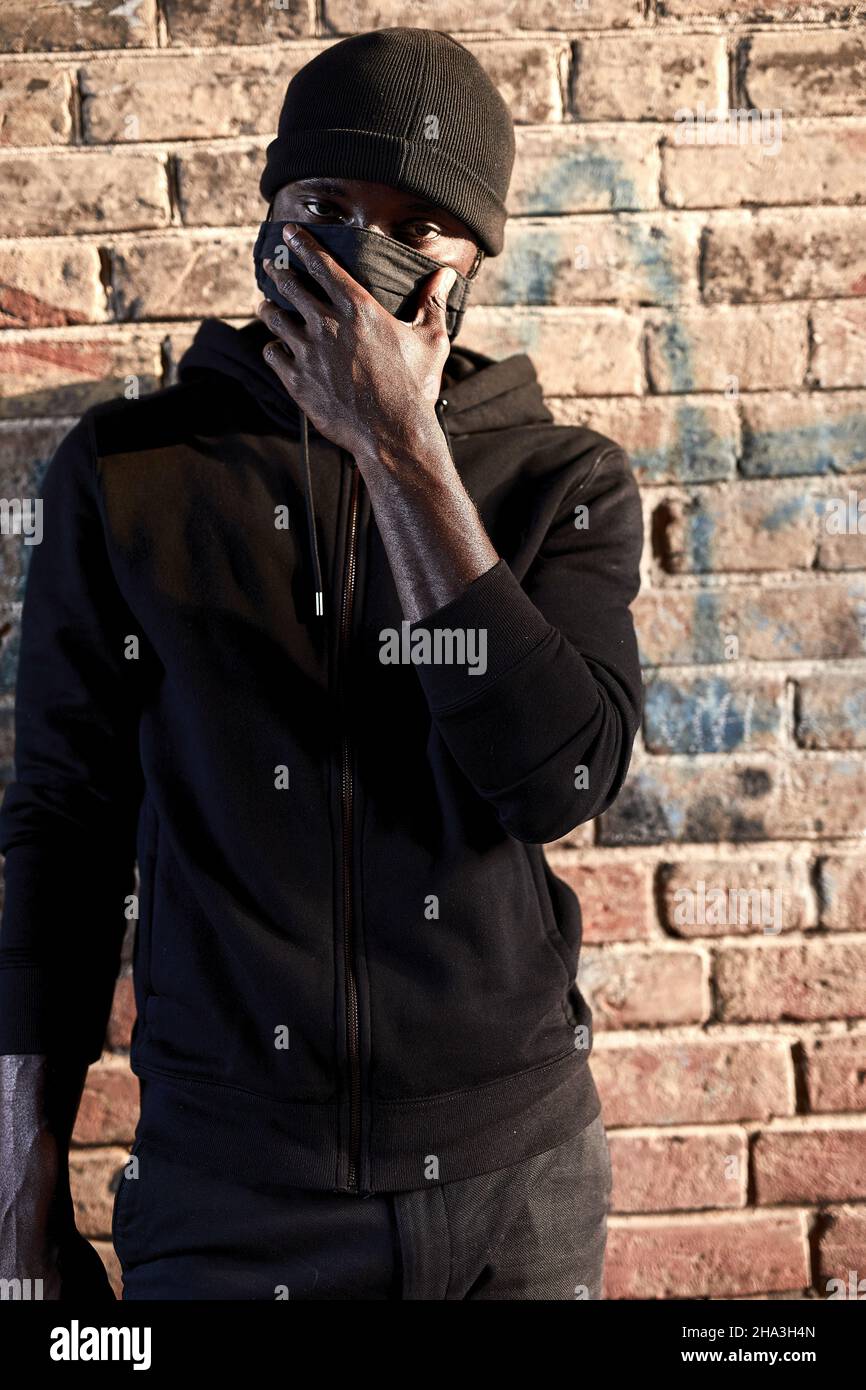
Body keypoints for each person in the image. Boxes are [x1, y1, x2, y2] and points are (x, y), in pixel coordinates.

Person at [0, 27, 642, 1300]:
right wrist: (20, 1197)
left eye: (414, 225)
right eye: (325, 208)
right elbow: (60, 838)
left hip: (515, 1186)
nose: (360, 248)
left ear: (468, 265)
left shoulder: (561, 483)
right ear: (269, 215)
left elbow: (557, 781)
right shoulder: (129, 475)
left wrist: (399, 444)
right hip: (233, 1196)